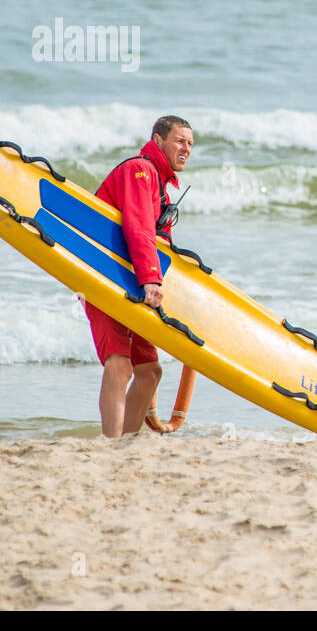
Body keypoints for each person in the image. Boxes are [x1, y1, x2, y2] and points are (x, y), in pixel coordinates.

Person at [86, 116, 194, 438]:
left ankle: (126, 443)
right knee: (119, 363)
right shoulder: (140, 170)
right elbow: (138, 227)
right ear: (158, 140)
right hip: (109, 278)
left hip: (136, 283)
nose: (186, 148)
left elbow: (161, 244)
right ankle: (111, 442)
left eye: (190, 143)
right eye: (179, 140)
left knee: (149, 372)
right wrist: (150, 279)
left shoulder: (160, 185)